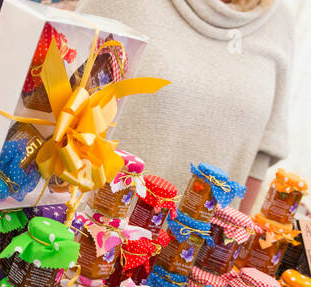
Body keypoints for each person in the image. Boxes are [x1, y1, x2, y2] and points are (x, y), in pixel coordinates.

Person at [74, 0, 294, 211]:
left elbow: (259, 158)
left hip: (200, 246)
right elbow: (63, 103)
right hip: (91, 235)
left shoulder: (278, 20)